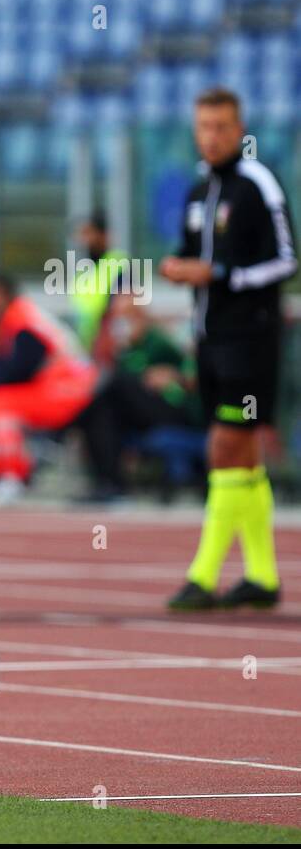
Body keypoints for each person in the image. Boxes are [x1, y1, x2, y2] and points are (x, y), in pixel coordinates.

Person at [161, 88, 296, 611]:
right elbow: (192, 255)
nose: (211, 136)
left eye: (221, 126)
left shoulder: (259, 183)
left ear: (240, 128)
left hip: (251, 339)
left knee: (223, 446)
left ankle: (203, 574)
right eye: (203, 126)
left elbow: (287, 260)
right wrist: (179, 267)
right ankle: (262, 576)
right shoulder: (198, 192)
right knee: (242, 454)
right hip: (209, 339)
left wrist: (222, 275)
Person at [0, 275, 97, 501]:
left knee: (0, 403)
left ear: (5, 296)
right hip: (59, 387)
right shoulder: (16, 318)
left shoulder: (21, 321)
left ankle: (13, 477)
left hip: (69, 389)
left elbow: (17, 370)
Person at [75, 291, 202, 501]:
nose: (122, 323)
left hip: (171, 408)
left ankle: (70, 420)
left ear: (140, 315)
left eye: (128, 316)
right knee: (102, 412)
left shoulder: (159, 341)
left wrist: (174, 377)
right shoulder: (124, 349)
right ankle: (109, 483)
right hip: (137, 412)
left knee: (114, 384)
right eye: (117, 317)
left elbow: (193, 376)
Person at [71, 211, 130, 353]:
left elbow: (120, 307)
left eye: (88, 233)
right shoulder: (83, 269)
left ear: (103, 235)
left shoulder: (118, 262)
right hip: (87, 346)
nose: (83, 239)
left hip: (109, 346)